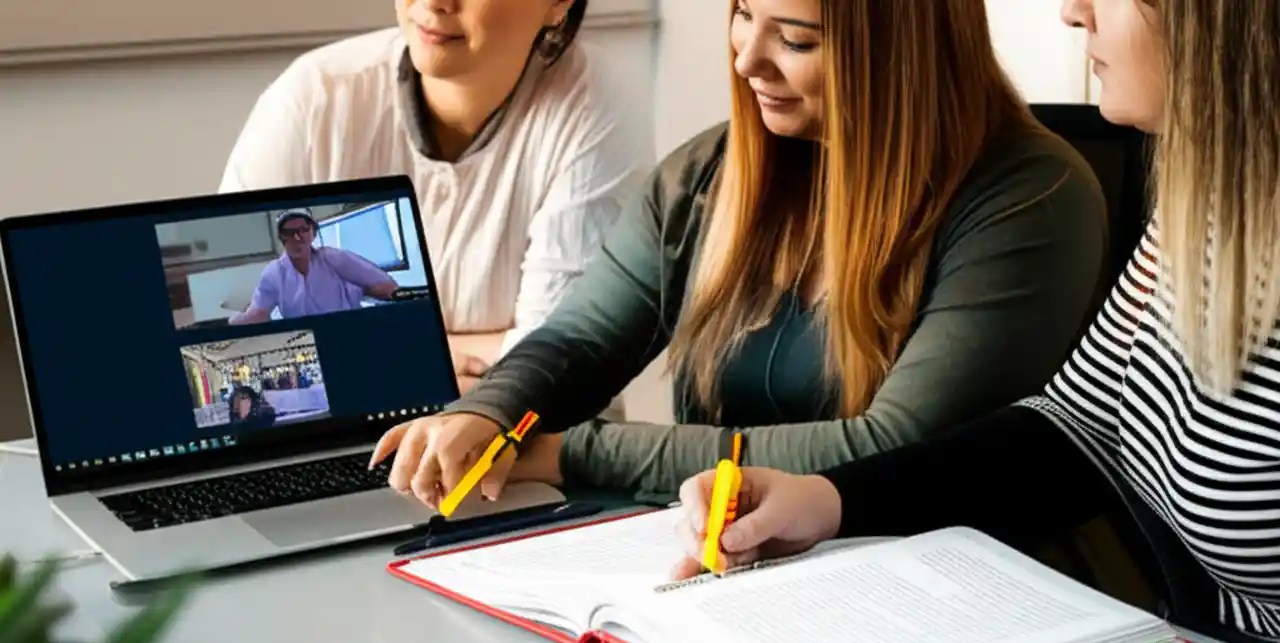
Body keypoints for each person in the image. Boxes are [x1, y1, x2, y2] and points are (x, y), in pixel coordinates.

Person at [668, 0, 1280, 643]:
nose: (1075, 14)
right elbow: (1075, 428)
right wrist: (827, 502)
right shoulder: (1213, 208)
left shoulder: (1039, 188)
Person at [371, 0, 1113, 508]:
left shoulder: (1030, 199)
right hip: (727, 562)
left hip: (925, 587)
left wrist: (567, 453)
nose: (748, 60)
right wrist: (489, 412)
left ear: (900, 54)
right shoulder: (708, 176)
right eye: (742, 15)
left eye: (796, 40)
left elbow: (895, 448)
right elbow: (582, 339)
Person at [219, 0, 636, 391]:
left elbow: (559, 359)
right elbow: (251, 346)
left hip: (527, 438)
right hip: (347, 429)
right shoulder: (314, 97)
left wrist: (356, 349)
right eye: (289, 233)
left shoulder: (594, 102)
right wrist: (446, 353)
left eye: (301, 231)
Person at [229, 209, 400, 324]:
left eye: (303, 230)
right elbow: (258, 313)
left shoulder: (334, 258)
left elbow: (387, 286)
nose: (298, 238)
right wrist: (232, 323)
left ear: (313, 232)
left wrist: (366, 293)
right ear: (282, 238)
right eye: (289, 233)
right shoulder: (273, 274)